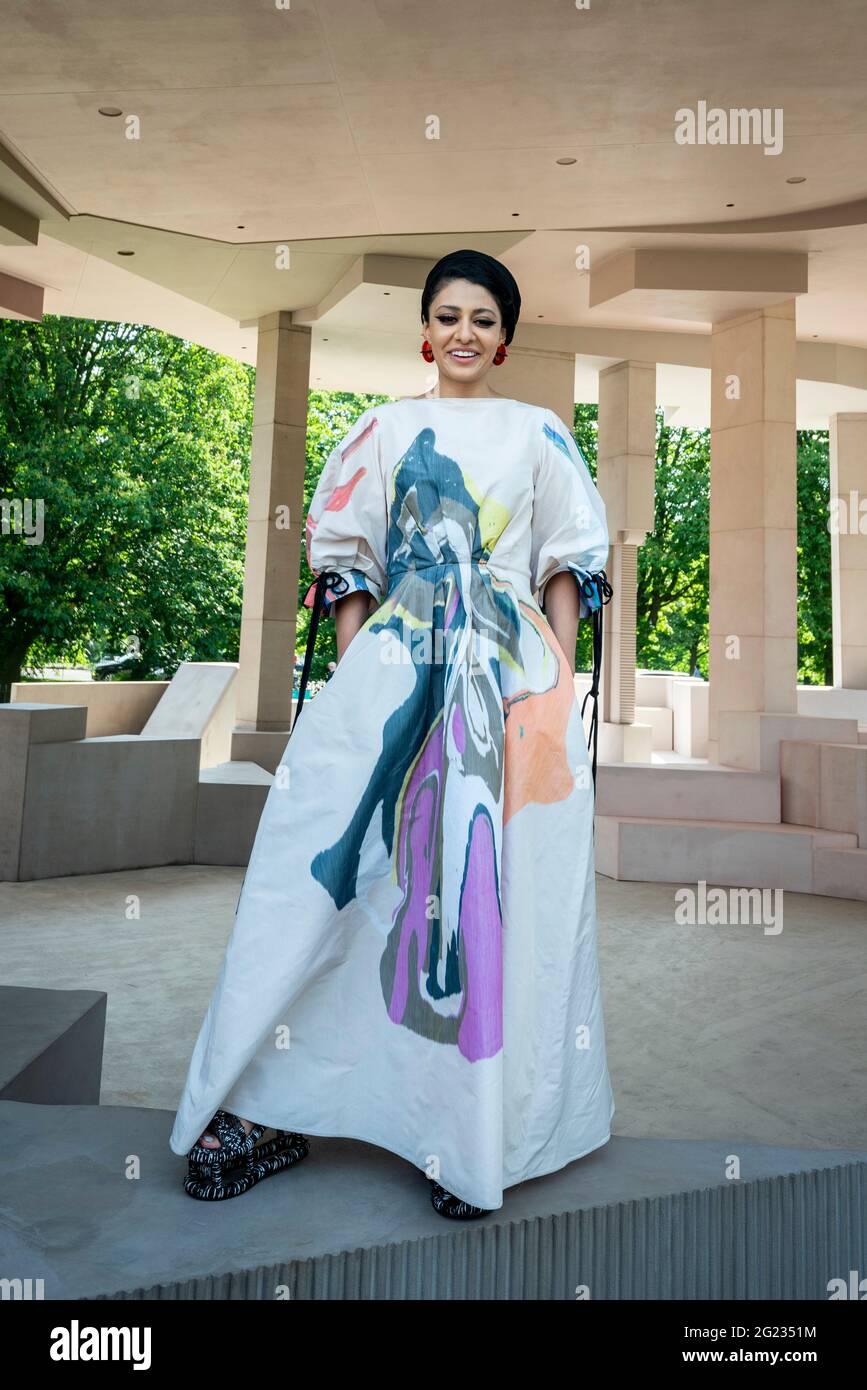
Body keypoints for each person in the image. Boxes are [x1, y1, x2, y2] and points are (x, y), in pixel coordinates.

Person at [169, 248, 615, 1218]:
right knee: (320, 883)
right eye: (449, 315)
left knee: (483, 890)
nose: (465, 333)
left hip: (509, 679)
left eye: (484, 319)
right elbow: (348, 566)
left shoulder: (538, 431)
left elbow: (567, 564)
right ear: (425, 328)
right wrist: (355, 683)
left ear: (505, 338)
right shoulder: (381, 430)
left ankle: (469, 1133)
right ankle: (264, 1103)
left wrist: (556, 686)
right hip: (394, 666)